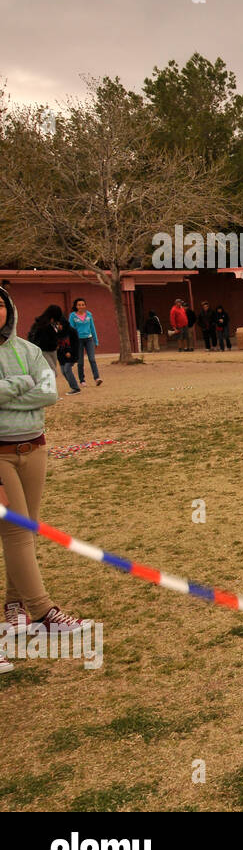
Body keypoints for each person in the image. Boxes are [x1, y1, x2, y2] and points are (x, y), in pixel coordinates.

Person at [0, 285, 95, 675]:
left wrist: (10, 392)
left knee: (21, 533)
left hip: (34, 448)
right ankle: (42, 611)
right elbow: (32, 389)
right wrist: (23, 387)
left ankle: (13, 607)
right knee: (18, 533)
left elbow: (50, 392)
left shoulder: (27, 350)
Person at [68, 298, 102, 385]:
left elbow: (92, 328)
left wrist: (96, 341)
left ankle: (97, 378)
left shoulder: (89, 315)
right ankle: (82, 380)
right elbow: (71, 330)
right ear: (76, 306)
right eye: (79, 305)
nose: (81, 306)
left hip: (89, 339)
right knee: (80, 361)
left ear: (85, 305)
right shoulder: (72, 316)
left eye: (83, 304)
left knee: (92, 359)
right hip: (78, 340)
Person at [54, 320, 79, 394]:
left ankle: (75, 388)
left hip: (71, 355)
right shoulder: (57, 333)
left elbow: (75, 344)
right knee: (63, 371)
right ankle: (74, 385)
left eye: (60, 324)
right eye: (57, 325)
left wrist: (70, 352)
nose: (59, 326)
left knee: (67, 369)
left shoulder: (71, 332)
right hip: (61, 356)